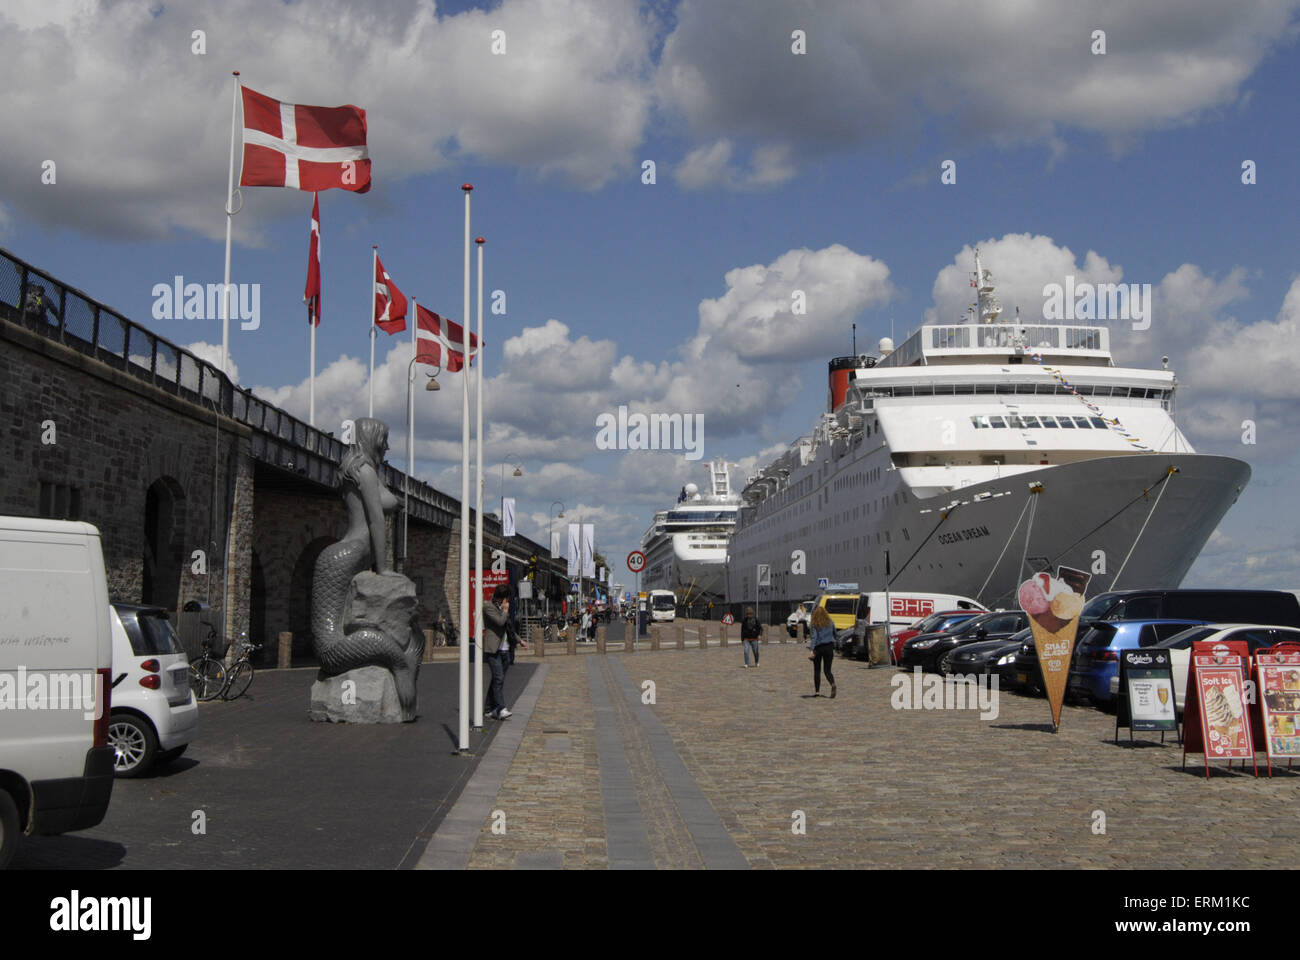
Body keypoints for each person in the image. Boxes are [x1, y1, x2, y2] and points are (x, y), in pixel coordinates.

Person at [482, 584, 512, 719]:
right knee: (498, 678)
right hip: (493, 648)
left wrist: (519, 640)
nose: (506, 602)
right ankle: (501, 708)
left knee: (497, 680)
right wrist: (505, 611)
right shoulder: (489, 607)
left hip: (504, 648)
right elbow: (500, 622)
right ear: (501, 598)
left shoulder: (501, 607)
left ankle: (489, 709)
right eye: (505, 599)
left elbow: (508, 627)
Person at [808, 606, 836, 698]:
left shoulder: (815, 624)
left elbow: (814, 638)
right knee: (827, 670)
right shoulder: (830, 622)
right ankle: (832, 684)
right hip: (829, 647)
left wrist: (811, 650)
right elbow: (834, 633)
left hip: (818, 648)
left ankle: (817, 692)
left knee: (817, 670)